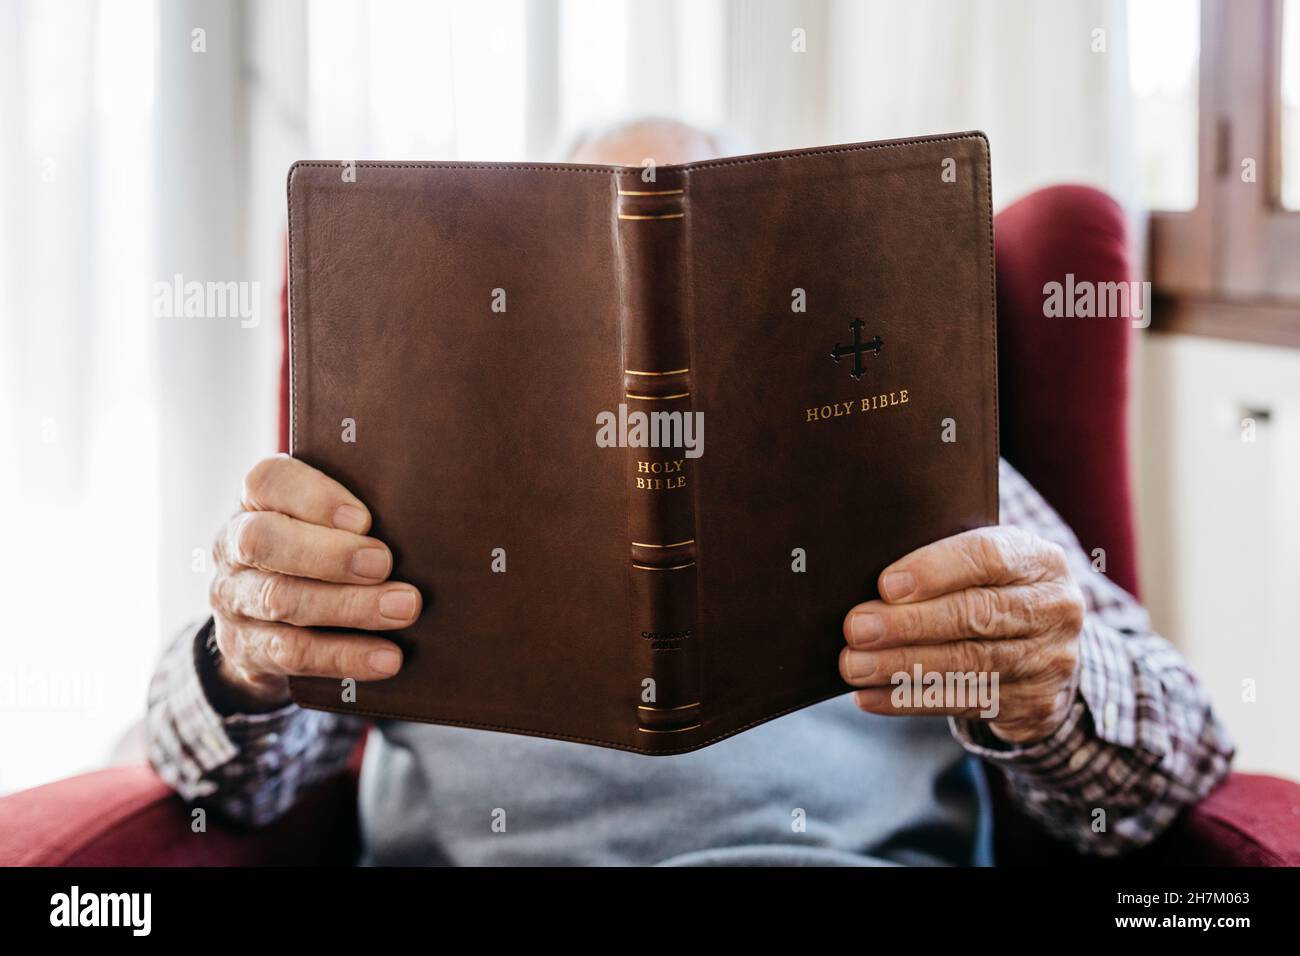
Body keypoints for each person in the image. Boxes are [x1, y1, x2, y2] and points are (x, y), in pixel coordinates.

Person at [147, 118, 1232, 866]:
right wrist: (243, 659)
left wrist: (1048, 679)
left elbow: (1175, 763)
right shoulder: (390, 465)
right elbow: (218, 790)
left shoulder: (911, 443)